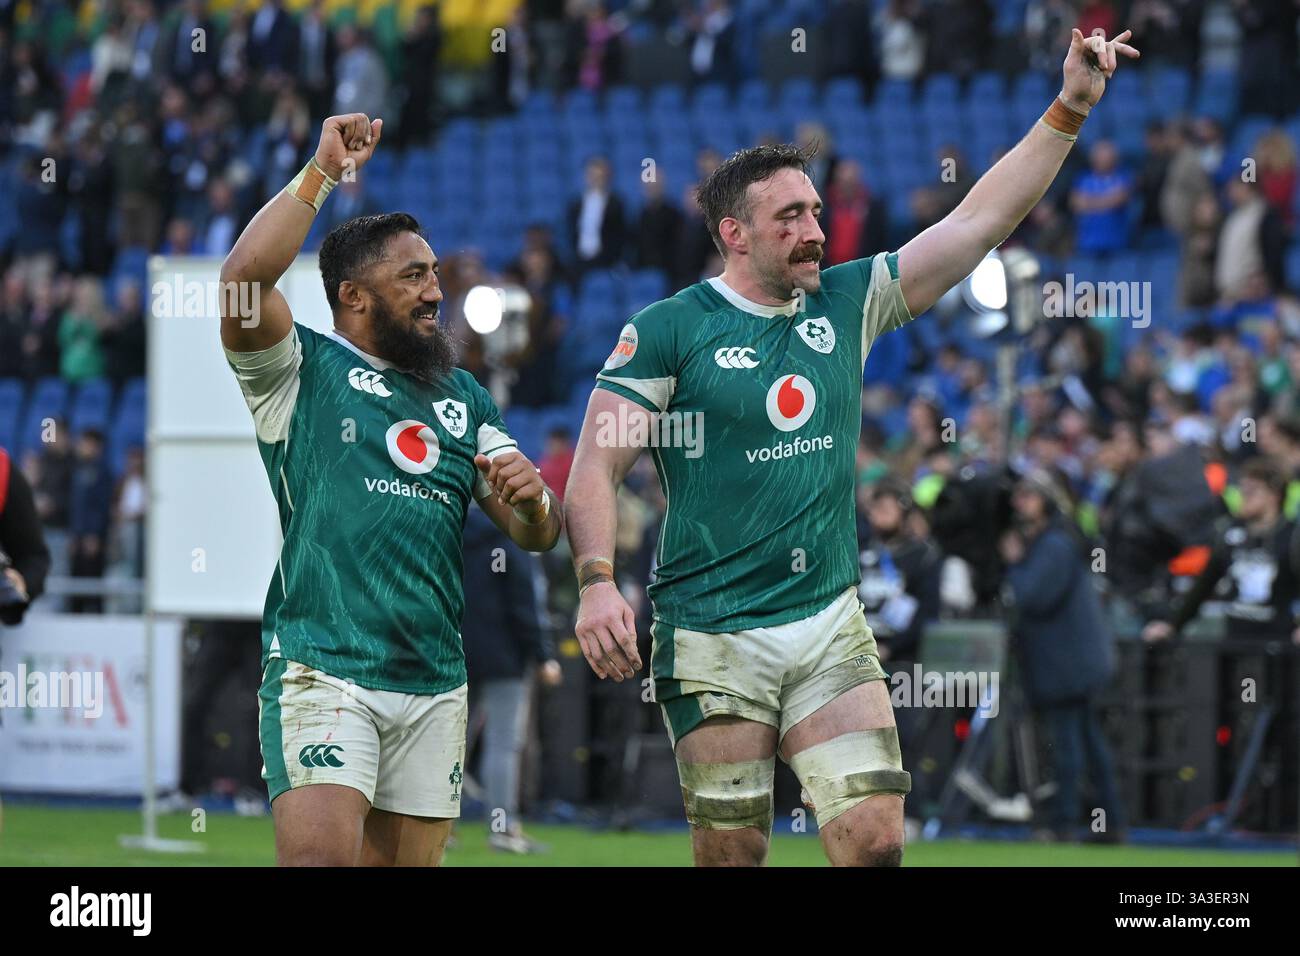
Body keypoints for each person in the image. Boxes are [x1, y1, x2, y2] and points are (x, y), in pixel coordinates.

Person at [564, 30, 1140, 866]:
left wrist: (1069, 109)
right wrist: (593, 585)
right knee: (734, 855)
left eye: (815, 211)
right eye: (789, 217)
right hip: (710, 629)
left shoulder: (848, 302)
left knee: (873, 845)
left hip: (829, 621)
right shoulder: (667, 331)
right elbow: (597, 463)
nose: (813, 229)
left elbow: (977, 222)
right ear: (735, 232)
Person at [218, 113, 563, 867]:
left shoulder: (464, 397)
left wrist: (535, 501)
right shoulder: (300, 371)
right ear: (354, 297)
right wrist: (321, 171)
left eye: (435, 273)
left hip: (435, 680)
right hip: (324, 663)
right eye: (414, 275)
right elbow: (243, 283)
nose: (436, 292)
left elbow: (536, 533)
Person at [999, 471, 1125, 842]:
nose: (1021, 504)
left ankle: (1064, 823)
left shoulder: (1053, 545)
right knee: (1088, 742)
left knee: (1070, 745)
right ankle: (1110, 821)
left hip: (1069, 663)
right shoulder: (1057, 541)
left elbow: (1031, 597)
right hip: (1073, 660)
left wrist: (1014, 563)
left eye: (1029, 497)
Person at [460, 505, 563, 854]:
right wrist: (544, 654)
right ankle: (502, 829)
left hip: (458, 651)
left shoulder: (456, 530)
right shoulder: (514, 538)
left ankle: (436, 828)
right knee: (503, 745)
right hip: (506, 657)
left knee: (451, 745)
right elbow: (526, 602)